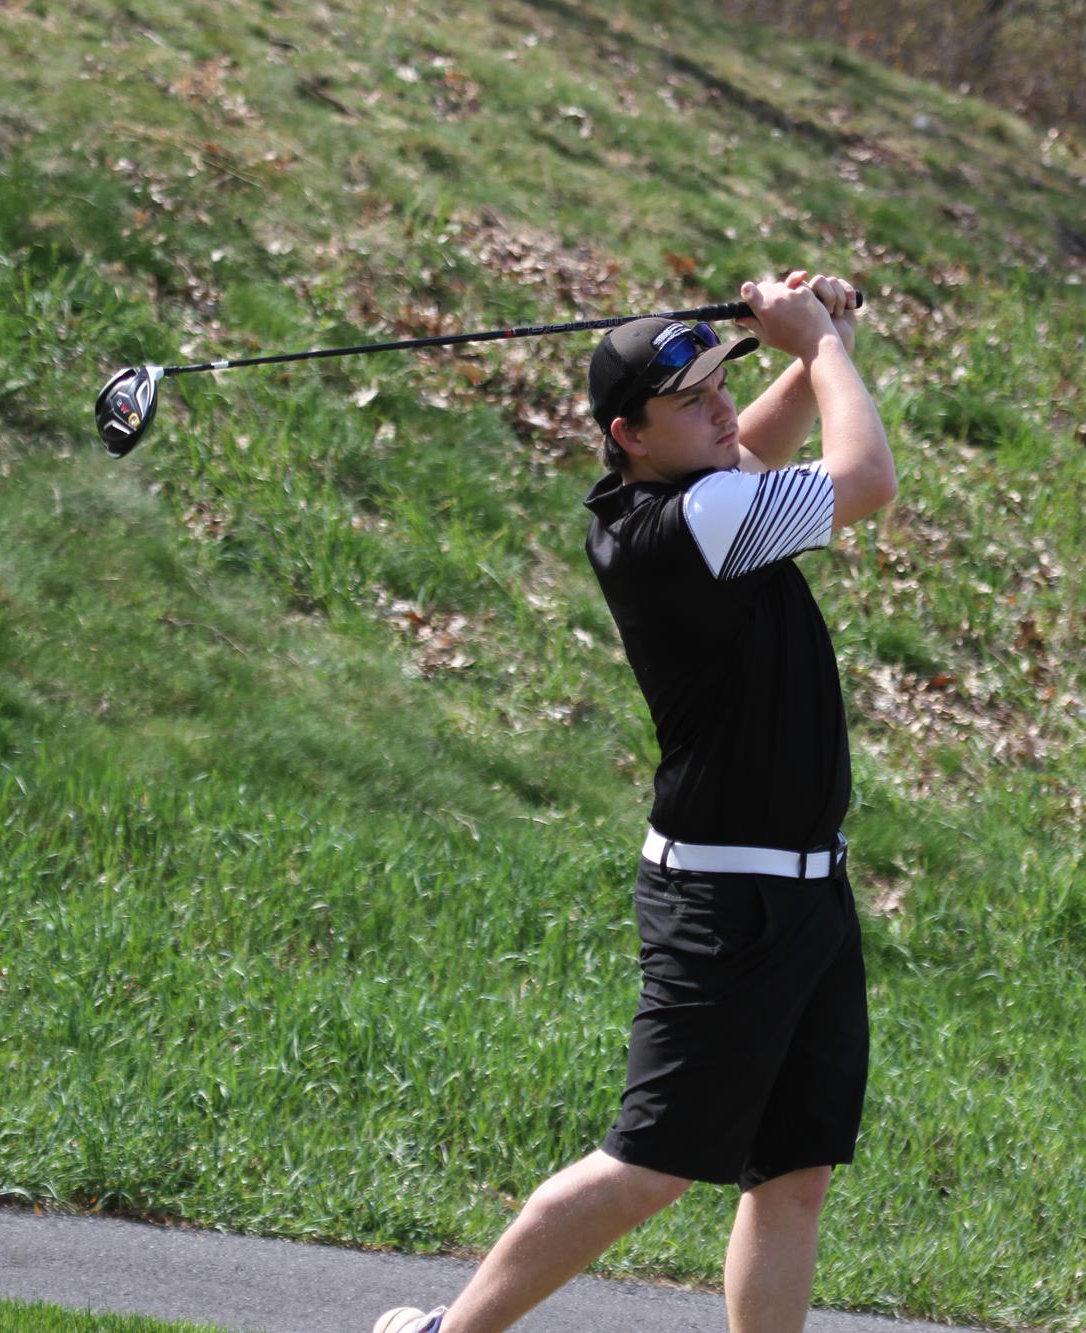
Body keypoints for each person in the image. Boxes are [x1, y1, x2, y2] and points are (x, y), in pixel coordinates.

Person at [376, 269, 896, 1333]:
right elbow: (866, 477)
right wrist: (825, 351)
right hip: (725, 902)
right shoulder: (692, 520)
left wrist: (812, 339)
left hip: (806, 896)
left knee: (791, 1177)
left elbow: (749, 452)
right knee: (650, 1166)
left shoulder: (681, 492)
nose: (719, 411)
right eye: (692, 400)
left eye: (721, 384)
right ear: (628, 434)